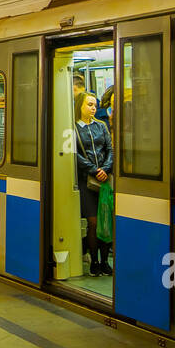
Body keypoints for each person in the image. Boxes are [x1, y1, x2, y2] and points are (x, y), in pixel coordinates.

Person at [75, 91, 114, 277]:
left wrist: (105, 169)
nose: (93, 108)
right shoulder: (74, 129)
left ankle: (105, 261)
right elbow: (75, 155)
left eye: (95, 105)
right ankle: (94, 260)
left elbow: (110, 149)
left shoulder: (102, 127)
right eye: (89, 104)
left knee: (105, 221)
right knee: (93, 222)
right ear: (80, 106)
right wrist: (93, 169)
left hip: (104, 180)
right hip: (86, 182)